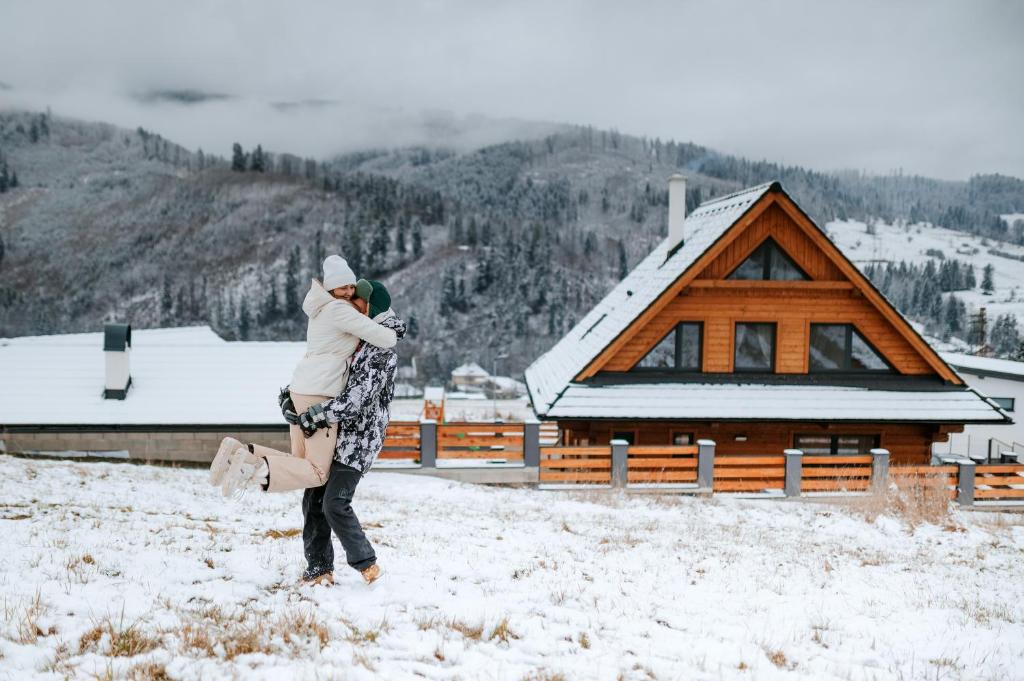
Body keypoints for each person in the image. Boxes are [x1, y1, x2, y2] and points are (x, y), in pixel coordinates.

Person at [209, 256, 397, 495]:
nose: (349, 293)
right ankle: (253, 467)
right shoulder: (340, 310)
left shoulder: (320, 310)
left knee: (299, 463)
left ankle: (241, 452)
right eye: (343, 288)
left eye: (352, 287)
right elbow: (388, 338)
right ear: (330, 288)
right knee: (317, 472)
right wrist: (386, 320)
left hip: (300, 389)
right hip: (320, 393)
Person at [295, 280, 406, 586]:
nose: (349, 302)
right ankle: (319, 569)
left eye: (356, 298)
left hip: (360, 440)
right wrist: (296, 399)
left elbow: (357, 399)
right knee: (313, 499)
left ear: (370, 307)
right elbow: (327, 372)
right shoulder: (356, 337)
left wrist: (317, 414)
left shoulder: (382, 352)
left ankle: (366, 564)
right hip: (336, 433)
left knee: (334, 502)